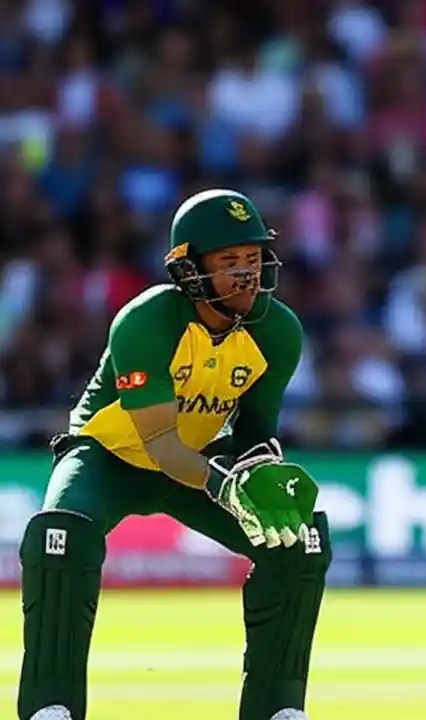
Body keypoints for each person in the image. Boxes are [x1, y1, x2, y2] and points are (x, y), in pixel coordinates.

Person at [17, 189, 330, 720]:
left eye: (253, 259)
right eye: (229, 262)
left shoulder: (277, 331)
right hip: (109, 455)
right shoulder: (146, 321)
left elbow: (255, 432)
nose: (246, 275)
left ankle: (278, 707)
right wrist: (227, 486)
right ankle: (51, 707)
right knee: (61, 536)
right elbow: (159, 442)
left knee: (299, 538)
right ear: (188, 269)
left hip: (201, 456)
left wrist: (260, 471)